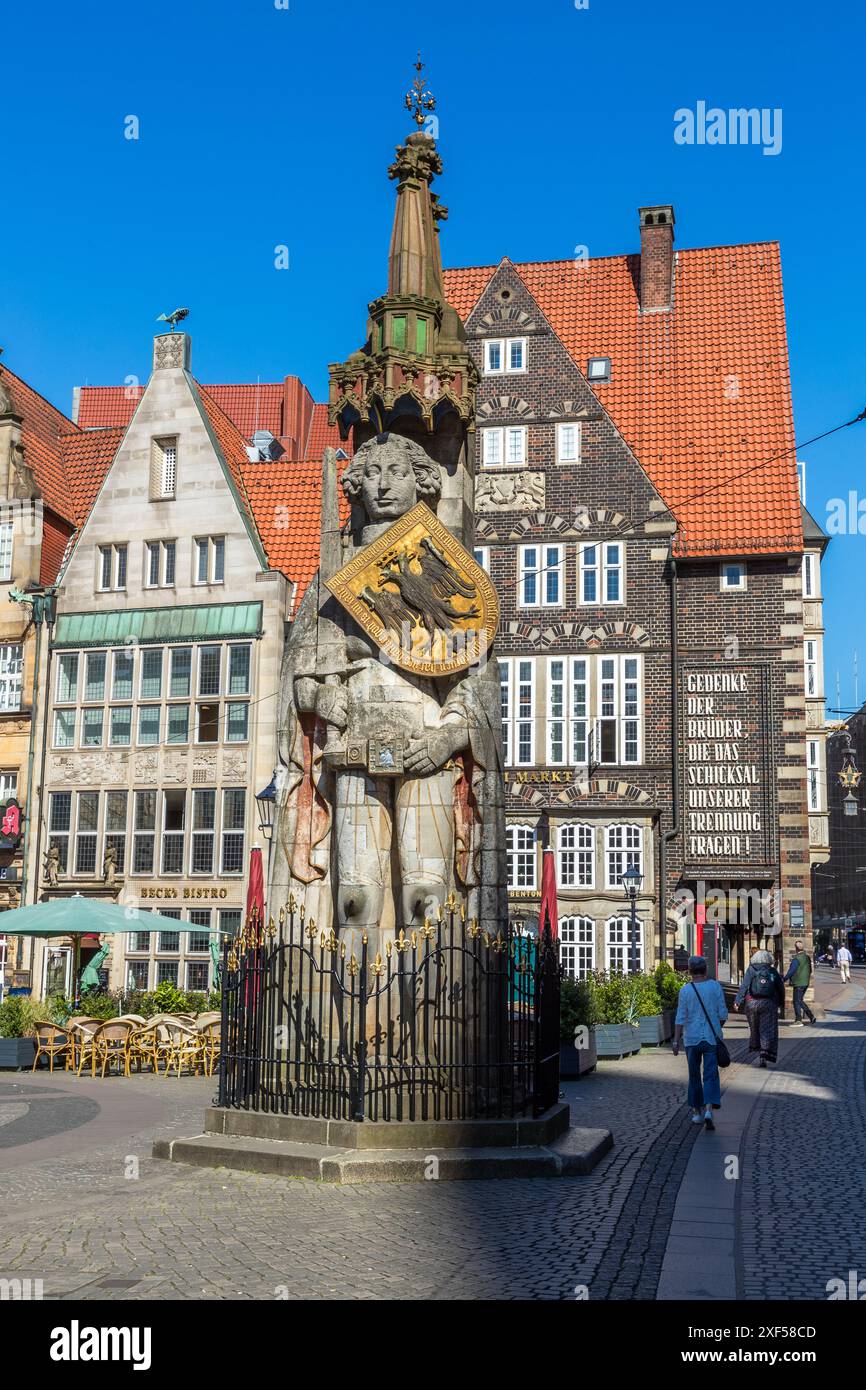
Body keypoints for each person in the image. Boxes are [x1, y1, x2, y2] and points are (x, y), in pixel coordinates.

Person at [673, 956, 728, 1130]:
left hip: (691, 1039)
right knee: (711, 1074)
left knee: (694, 1075)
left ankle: (697, 1112)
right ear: (705, 970)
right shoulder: (715, 986)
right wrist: (717, 1029)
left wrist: (675, 1040)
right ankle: (709, 1110)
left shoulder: (685, 990)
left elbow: (680, 1017)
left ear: (690, 971)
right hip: (711, 1038)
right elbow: (723, 1014)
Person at [734, 948, 785, 1066]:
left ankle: (756, 1048)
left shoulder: (751, 969)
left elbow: (744, 986)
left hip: (751, 1004)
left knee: (754, 1029)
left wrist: (738, 1001)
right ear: (768, 959)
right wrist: (781, 1002)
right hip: (768, 1003)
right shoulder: (772, 971)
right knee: (766, 1030)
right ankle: (764, 1055)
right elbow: (780, 988)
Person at [783, 941, 816, 1026]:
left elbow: (791, 971)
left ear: (796, 948)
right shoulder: (807, 957)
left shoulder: (796, 959)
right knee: (799, 1000)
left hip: (798, 983)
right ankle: (810, 1016)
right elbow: (810, 970)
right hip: (805, 982)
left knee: (797, 1001)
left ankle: (799, 1020)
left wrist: (784, 979)